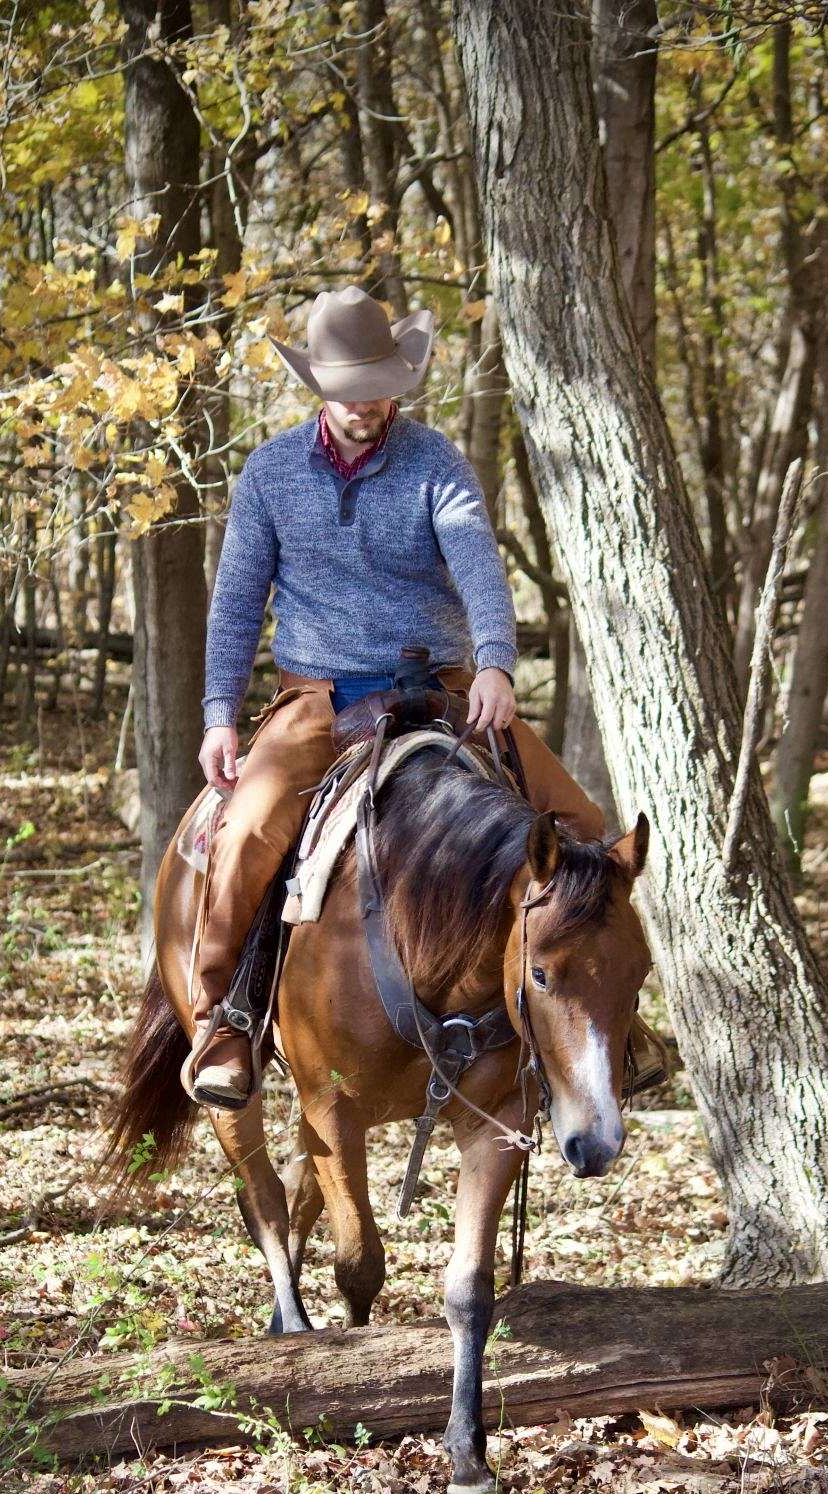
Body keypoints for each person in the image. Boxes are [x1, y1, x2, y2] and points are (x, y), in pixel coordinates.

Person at [182, 284, 616, 1109]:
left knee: (586, 829)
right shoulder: (270, 473)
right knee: (247, 831)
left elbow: (479, 567)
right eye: (348, 390)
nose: (364, 404)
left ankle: (597, 1028)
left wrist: (495, 664)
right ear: (319, 387)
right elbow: (236, 604)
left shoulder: (435, 463)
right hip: (319, 698)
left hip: (439, 688)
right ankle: (223, 1021)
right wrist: (218, 716)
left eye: (378, 387)